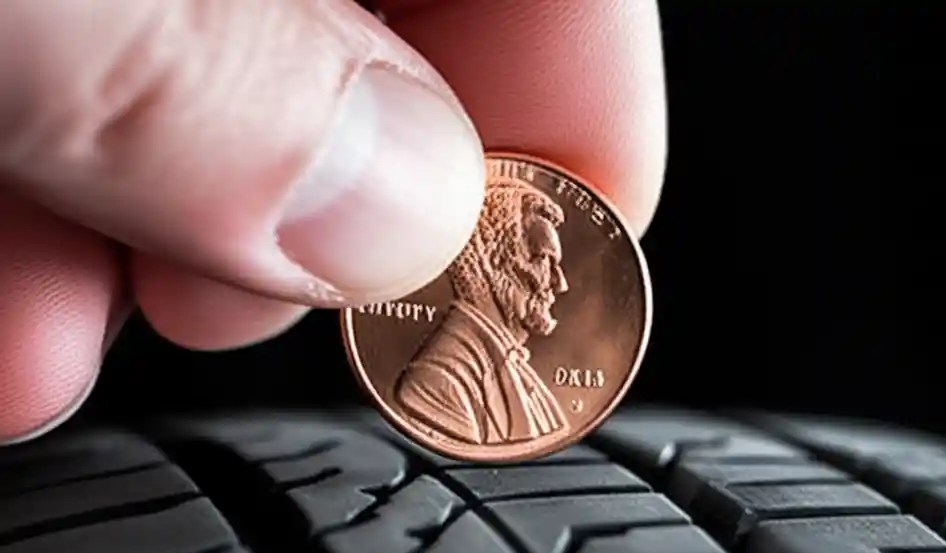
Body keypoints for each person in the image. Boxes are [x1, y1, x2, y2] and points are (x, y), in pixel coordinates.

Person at [0, 0, 666, 445]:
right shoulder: (443, 382)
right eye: (541, 256)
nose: (558, 277)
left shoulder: (515, 380)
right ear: (492, 262)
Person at [394, 176, 571, 445]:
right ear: (495, 261)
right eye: (543, 260)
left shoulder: (514, 367)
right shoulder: (437, 381)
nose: (561, 284)